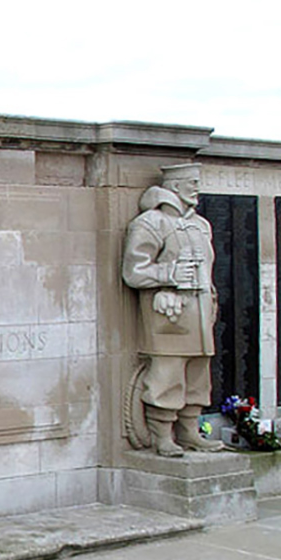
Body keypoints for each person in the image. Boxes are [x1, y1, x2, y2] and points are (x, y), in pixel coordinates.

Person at [122, 162, 222, 457]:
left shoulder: (201, 225)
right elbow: (133, 271)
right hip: (169, 315)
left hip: (201, 313)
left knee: (198, 376)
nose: (197, 187)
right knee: (166, 376)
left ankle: (190, 432)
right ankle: (162, 436)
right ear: (174, 187)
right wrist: (169, 275)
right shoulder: (151, 222)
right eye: (191, 182)